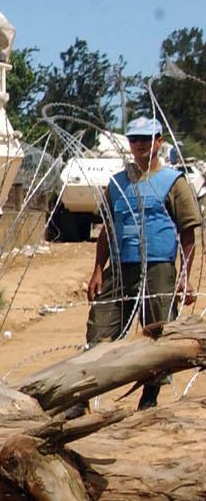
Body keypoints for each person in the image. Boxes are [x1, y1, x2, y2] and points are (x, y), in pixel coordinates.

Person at [86, 116, 200, 407]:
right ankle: (83, 394)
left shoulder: (173, 182)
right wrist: (99, 270)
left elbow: (187, 232)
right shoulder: (117, 184)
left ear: (159, 142)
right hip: (122, 267)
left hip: (159, 266)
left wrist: (184, 276)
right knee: (99, 328)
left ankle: (151, 394)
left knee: (158, 331)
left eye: (145, 139)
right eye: (133, 140)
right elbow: (107, 231)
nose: (139, 145)